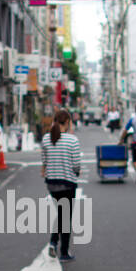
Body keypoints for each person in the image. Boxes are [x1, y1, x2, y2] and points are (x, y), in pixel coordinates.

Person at [40, 108, 80, 262]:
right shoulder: (72, 140)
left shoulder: (45, 139)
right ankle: (63, 252)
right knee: (66, 216)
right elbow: (76, 164)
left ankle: (54, 243)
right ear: (68, 122)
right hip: (68, 183)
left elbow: (44, 160)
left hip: (52, 183)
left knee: (62, 214)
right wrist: (76, 172)